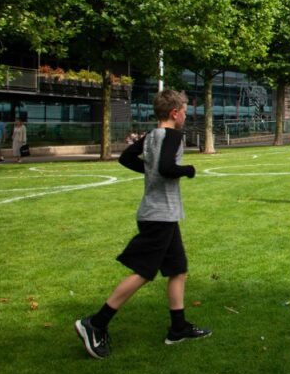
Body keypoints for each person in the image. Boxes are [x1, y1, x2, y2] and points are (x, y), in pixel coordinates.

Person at [74, 90, 209, 359]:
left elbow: (126, 158)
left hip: (161, 214)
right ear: (175, 113)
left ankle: (178, 328)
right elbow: (167, 168)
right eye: (184, 111)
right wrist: (188, 170)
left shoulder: (151, 136)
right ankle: (95, 323)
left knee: (177, 268)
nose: (185, 115)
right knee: (144, 272)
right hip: (159, 216)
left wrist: (150, 170)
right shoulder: (173, 136)